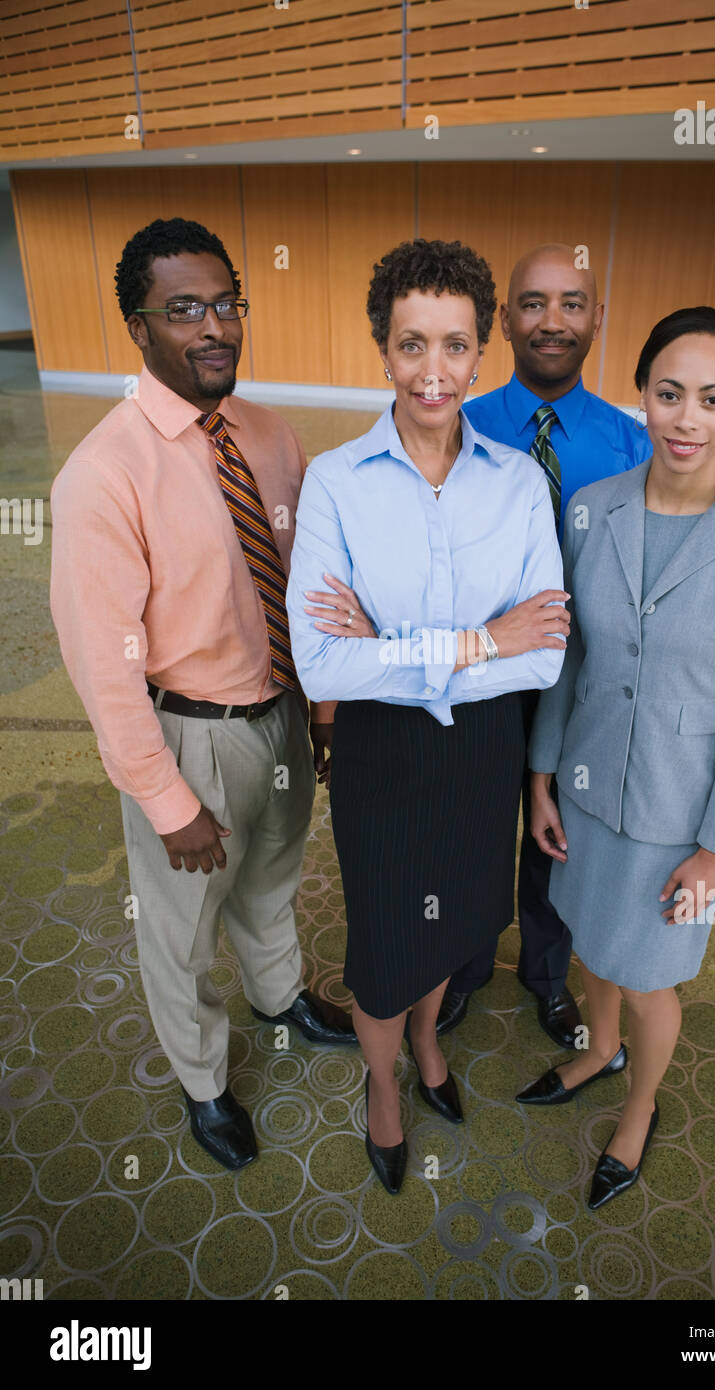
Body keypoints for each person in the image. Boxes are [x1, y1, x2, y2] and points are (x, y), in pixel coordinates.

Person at [49, 218, 356, 1174]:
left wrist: (317, 709)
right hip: (187, 735)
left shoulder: (268, 435)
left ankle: (278, 996)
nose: (215, 326)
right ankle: (206, 1084)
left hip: (277, 717)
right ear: (138, 328)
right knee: (180, 936)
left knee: (272, 880)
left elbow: (303, 582)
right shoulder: (104, 472)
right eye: (185, 309)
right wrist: (167, 798)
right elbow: (104, 666)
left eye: (227, 303)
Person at [286, 238, 568, 1195]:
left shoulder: (518, 483)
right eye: (413, 344)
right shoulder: (334, 481)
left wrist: (393, 644)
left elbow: (550, 648)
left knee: (452, 936)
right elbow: (323, 658)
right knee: (383, 951)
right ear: (383, 349)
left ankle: (432, 1052)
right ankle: (385, 1087)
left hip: (483, 754)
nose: (433, 371)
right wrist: (476, 642)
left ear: (480, 352)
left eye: (454, 345)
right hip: (382, 756)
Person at [524, 306, 715, 1210]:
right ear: (641, 397)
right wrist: (540, 776)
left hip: (677, 813)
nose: (687, 418)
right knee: (592, 944)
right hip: (584, 786)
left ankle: (638, 1104)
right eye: (669, 394)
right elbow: (570, 658)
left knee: (650, 977)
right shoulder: (591, 508)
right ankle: (597, 1050)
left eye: (712, 399)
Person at [440, 243, 653, 1047]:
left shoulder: (630, 444)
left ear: (597, 317)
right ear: (505, 320)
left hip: (583, 682)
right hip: (480, 670)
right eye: (533, 303)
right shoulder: (461, 419)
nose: (552, 320)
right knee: (469, 832)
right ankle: (460, 967)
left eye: (572, 303)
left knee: (557, 836)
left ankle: (546, 975)